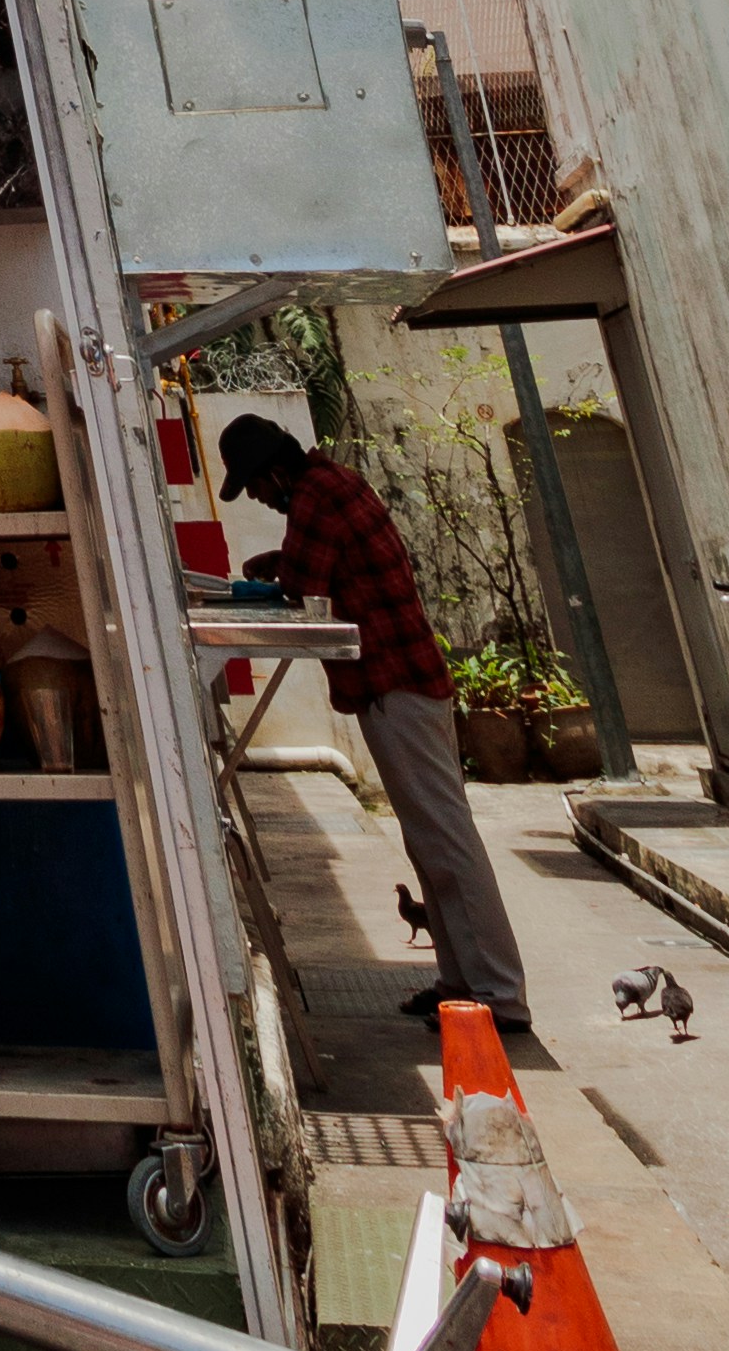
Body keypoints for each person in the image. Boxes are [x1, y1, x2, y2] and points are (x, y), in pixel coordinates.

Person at [219, 414, 532, 1030]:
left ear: (274, 472)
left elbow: (305, 589)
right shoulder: (333, 483)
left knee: (447, 842)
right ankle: (461, 982)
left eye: (254, 487)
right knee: (429, 840)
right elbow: (328, 563)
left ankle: (500, 995)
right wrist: (278, 559)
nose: (257, 498)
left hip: (398, 688)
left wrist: (272, 574)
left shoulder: (314, 496)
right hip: (408, 683)